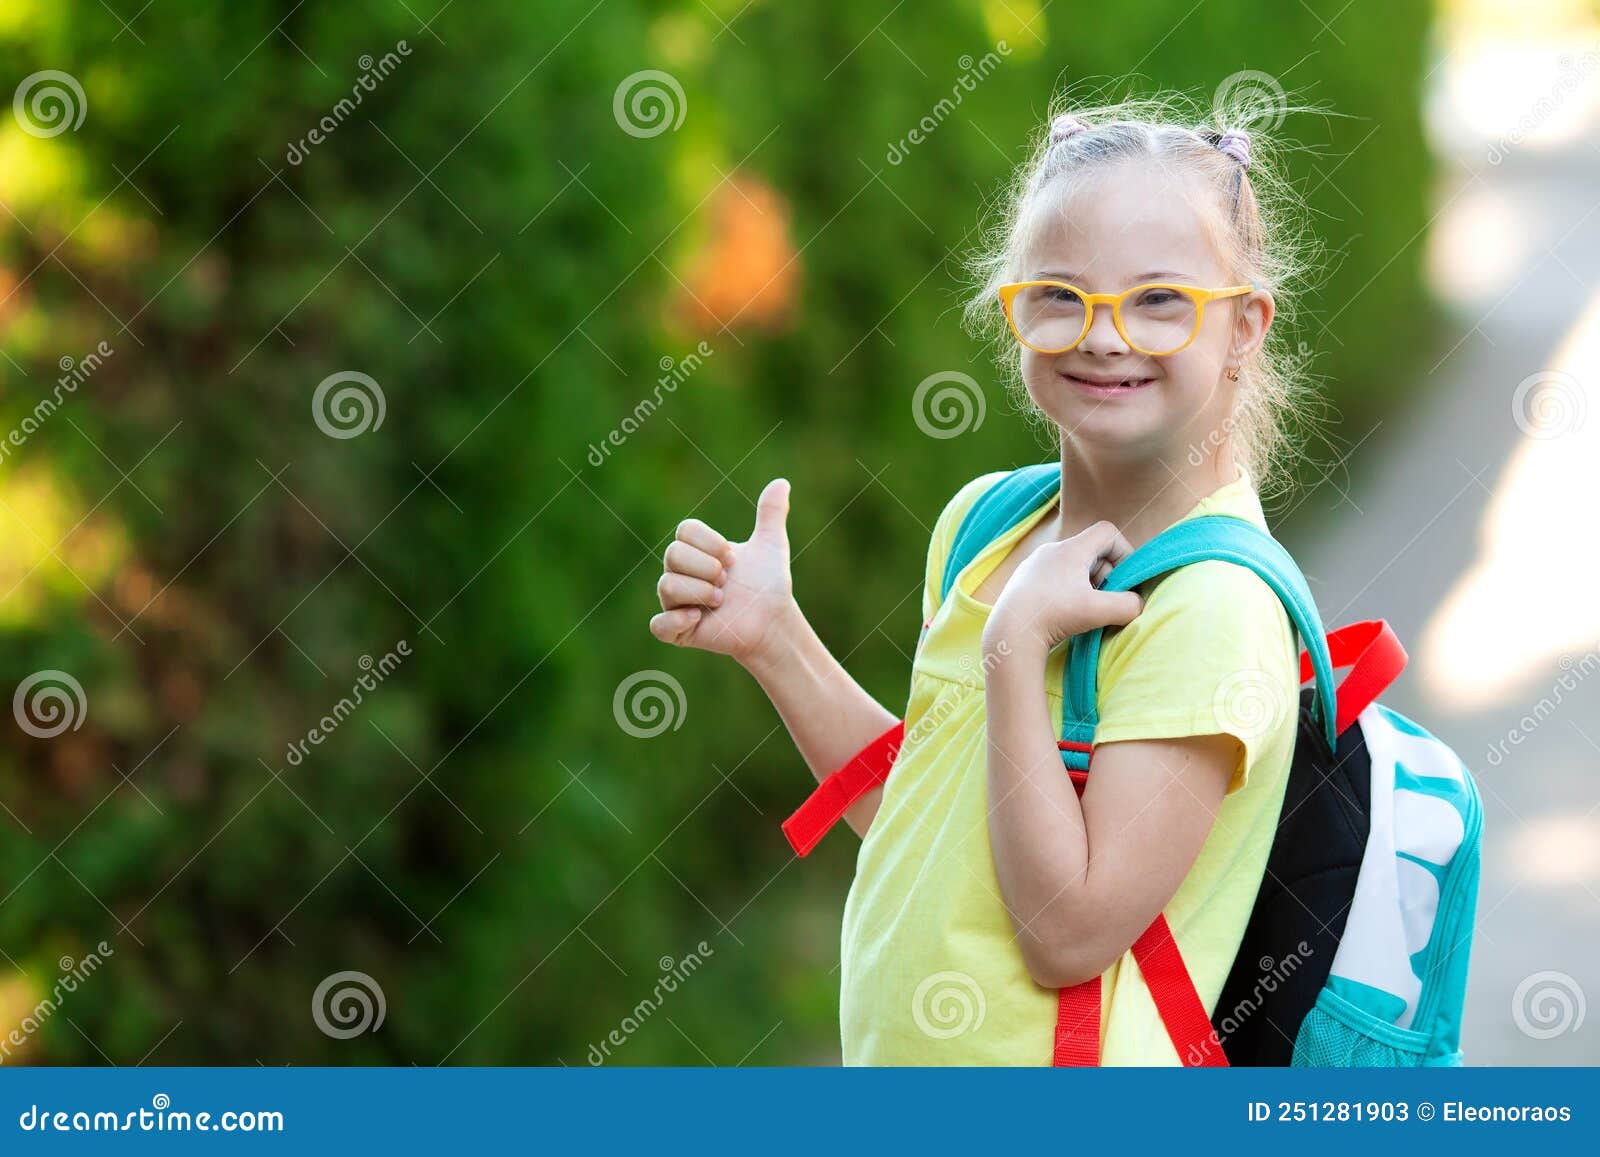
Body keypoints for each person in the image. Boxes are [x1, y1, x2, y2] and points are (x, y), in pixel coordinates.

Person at [649, 93, 1318, 1065]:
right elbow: (932, 813)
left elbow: (1068, 931)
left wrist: (1014, 644)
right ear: (1013, 309)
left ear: (1245, 326)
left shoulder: (1214, 603)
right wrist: (775, 636)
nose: (1103, 335)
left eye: (1159, 300)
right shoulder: (986, 523)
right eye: (1060, 294)